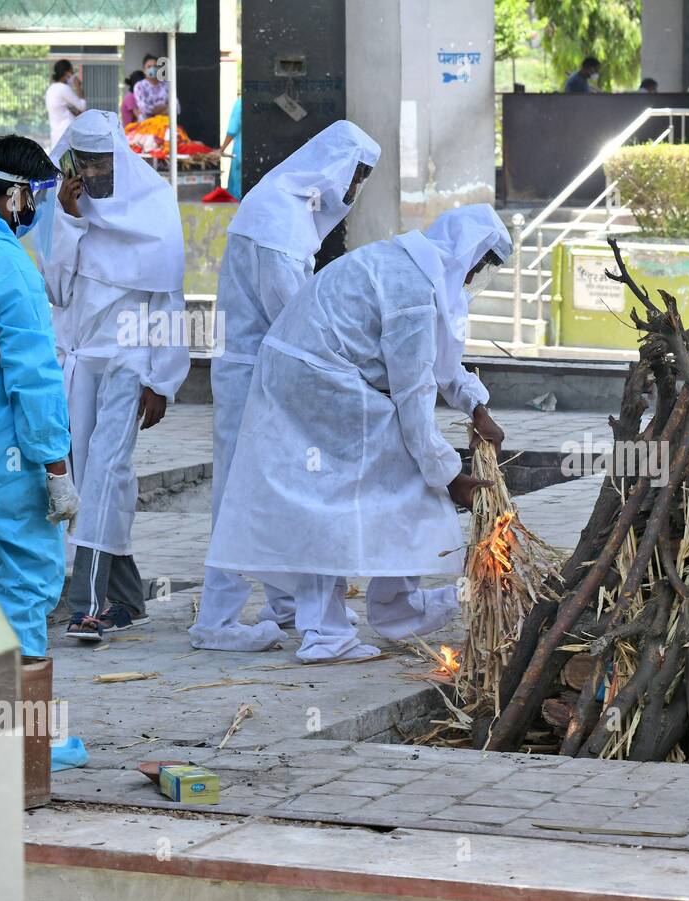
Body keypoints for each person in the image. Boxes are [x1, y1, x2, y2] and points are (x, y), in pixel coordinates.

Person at [205, 205, 511, 663]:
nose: (476, 276)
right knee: (375, 484)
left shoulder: (412, 268)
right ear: (466, 253)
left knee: (327, 497)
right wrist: (450, 477)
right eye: (481, 263)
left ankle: (381, 610)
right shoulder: (412, 288)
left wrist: (476, 405)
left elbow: (437, 361)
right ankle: (338, 631)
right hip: (320, 380)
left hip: (307, 374)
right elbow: (414, 392)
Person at [189, 120, 380, 653]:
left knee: (271, 488)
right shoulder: (277, 220)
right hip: (255, 374)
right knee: (239, 495)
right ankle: (217, 620)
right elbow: (295, 318)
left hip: (266, 373)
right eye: (356, 175)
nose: (354, 190)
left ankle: (287, 604)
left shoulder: (287, 209)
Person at [37, 110, 189, 644]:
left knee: (106, 473)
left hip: (129, 364)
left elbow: (168, 300)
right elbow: (56, 291)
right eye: (85, 164)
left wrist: (162, 381)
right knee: (81, 477)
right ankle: (126, 597)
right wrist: (71, 220)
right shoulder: (68, 211)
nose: (96, 173)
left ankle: (90, 604)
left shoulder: (154, 206)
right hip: (78, 363)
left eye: (103, 163)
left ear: (117, 159)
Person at [0, 136, 80, 661]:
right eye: (36, 200)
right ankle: (21, 739)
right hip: (2, 467)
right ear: (15, 196)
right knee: (23, 590)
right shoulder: (9, 267)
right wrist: (57, 471)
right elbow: (35, 381)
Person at [44, 59, 87, 150]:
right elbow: (82, 106)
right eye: (72, 72)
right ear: (67, 73)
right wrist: (78, 87)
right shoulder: (63, 88)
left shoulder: (51, 89)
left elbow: (70, 111)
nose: (73, 76)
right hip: (67, 135)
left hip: (56, 135)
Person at [132, 54, 176, 119]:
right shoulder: (139, 86)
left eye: (155, 66)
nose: (153, 69)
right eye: (149, 67)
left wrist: (155, 111)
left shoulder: (167, 85)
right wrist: (165, 107)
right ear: (144, 70)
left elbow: (176, 107)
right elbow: (144, 109)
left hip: (165, 124)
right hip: (146, 125)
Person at [220, 96, 242, 198]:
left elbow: (232, 130)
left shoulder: (240, 104)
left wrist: (222, 149)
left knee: (237, 192)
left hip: (241, 153)